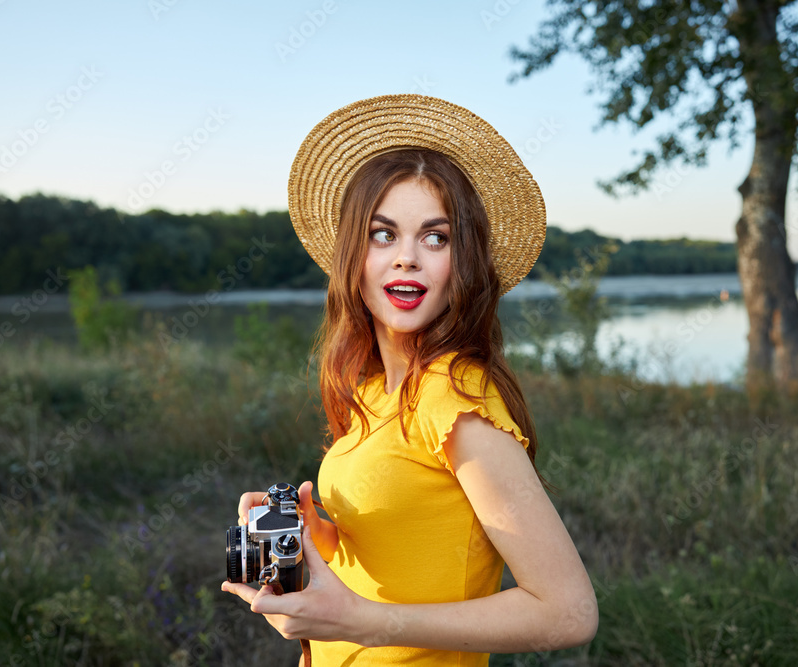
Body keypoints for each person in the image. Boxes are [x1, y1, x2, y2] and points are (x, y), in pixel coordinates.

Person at [221, 94, 598, 666]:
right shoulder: (372, 390)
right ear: (355, 256)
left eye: (436, 237)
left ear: (461, 264)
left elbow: (567, 612)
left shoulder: (456, 397)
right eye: (383, 234)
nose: (407, 259)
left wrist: (363, 622)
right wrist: (317, 544)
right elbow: (401, 550)